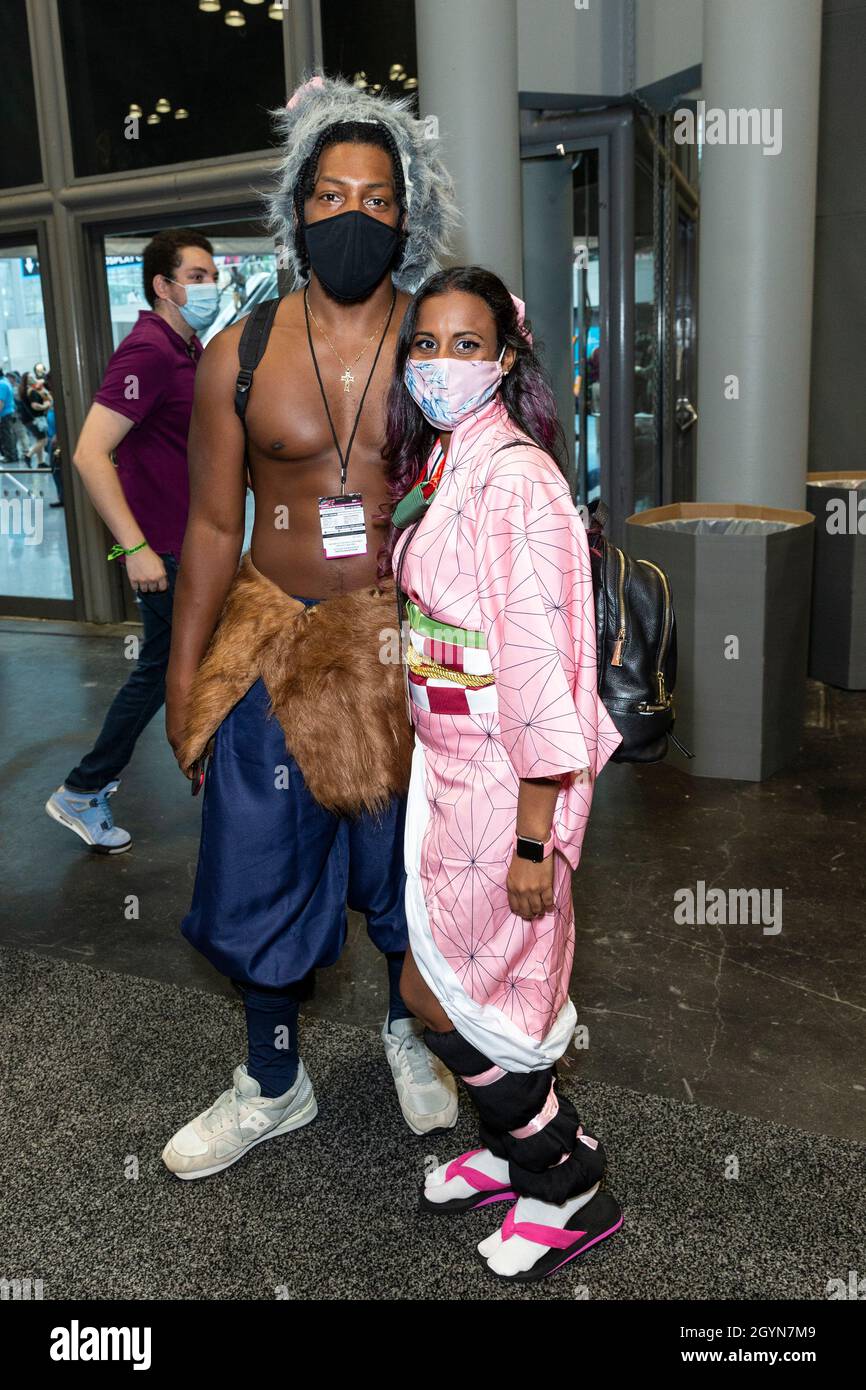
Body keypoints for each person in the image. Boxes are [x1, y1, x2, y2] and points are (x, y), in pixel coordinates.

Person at [161, 74, 462, 1179]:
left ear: (407, 213)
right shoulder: (234, 355)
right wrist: (182, 679)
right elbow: (204, 527)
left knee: (412, 872)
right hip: (272, 639)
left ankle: (405, 1029)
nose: (352, 215)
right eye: (329, 193)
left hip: (403, 645)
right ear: (296, 209)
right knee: (256, 877)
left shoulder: (442, 353)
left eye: (376, 199)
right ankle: (272, 1082)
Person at [385, 266, 624, 1283]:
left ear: (506, 357)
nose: (439, 364)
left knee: (440, 995)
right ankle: (530, 1133)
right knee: (484, 986)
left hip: (497, 788)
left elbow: (533, 675)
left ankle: (563, 1185)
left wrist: (535, 836)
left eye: (465, 344)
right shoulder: (448, 460)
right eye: (425, 344)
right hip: (447, 774)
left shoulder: (514, 479)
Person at [45, 229, 220, 853]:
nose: (210, 286)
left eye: (211, 274)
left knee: (169, 668)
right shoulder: (147, 350)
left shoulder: (188, 348)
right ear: (163, 287)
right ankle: (86, 788)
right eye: (196, 276)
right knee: (174, 670)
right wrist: (134, 548)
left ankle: (88, 787)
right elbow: (91, 454)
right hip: (166, 551)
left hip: (193, 543)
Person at [0, 369, 21, 463]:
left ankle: (10, 456)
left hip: (5, 413)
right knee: (9, 434)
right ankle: (13, 455)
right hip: (9, 412)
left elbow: (1, 402)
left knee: (7, 435)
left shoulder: (1, 384)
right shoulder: (5, 382)